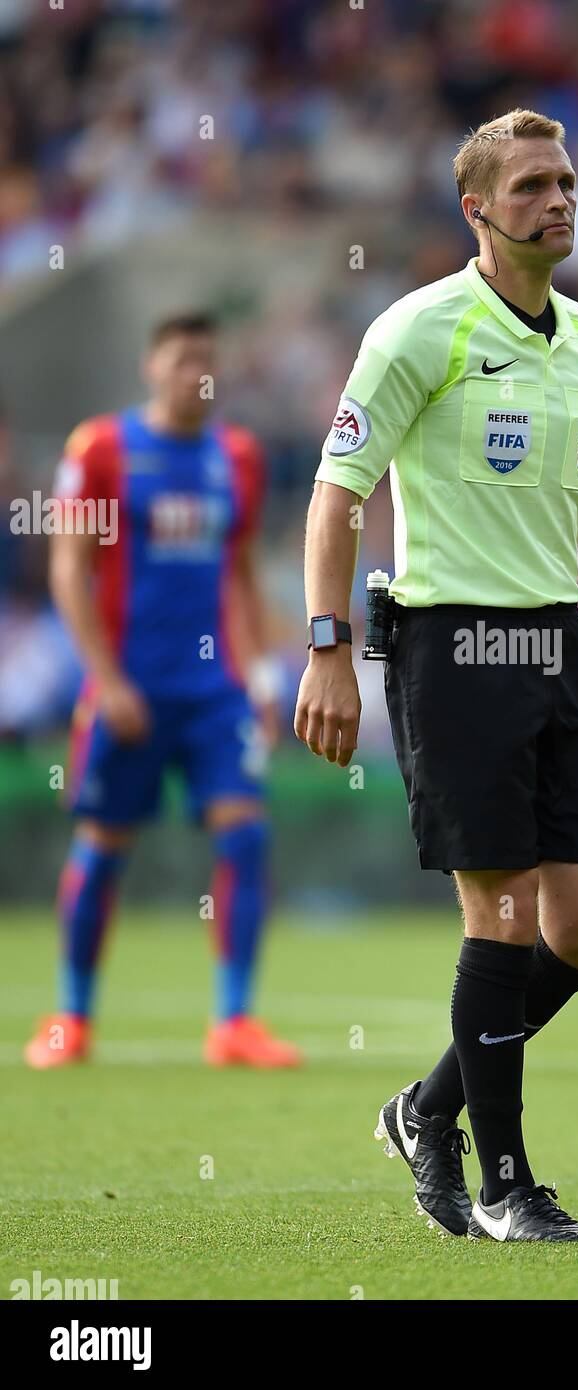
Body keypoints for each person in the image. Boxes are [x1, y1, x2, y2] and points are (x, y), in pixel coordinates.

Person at [294, 110, 578, 1240]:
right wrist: (327, 646)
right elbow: (337, 494)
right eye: (533, 184)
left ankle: (425, 1109)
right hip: (450, 645)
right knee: (499, 914)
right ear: (477, 208)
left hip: (557, 645)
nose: (561, 200)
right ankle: (504, 1187)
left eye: (569, 182)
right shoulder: (417, 330)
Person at [24, 313, 301, 1070]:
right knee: (105, 845)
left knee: (245, 836)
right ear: (152, 367)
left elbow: (240, 574)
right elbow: (67, 569)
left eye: (208, 362)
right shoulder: (103, 449)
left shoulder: (237, 456)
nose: (197, 376)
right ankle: (71, 1018)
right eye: (183, 361)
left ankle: (233, 1022)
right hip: (130, 689)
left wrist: (261, 676)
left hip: (213, 693)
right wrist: (105, 680)